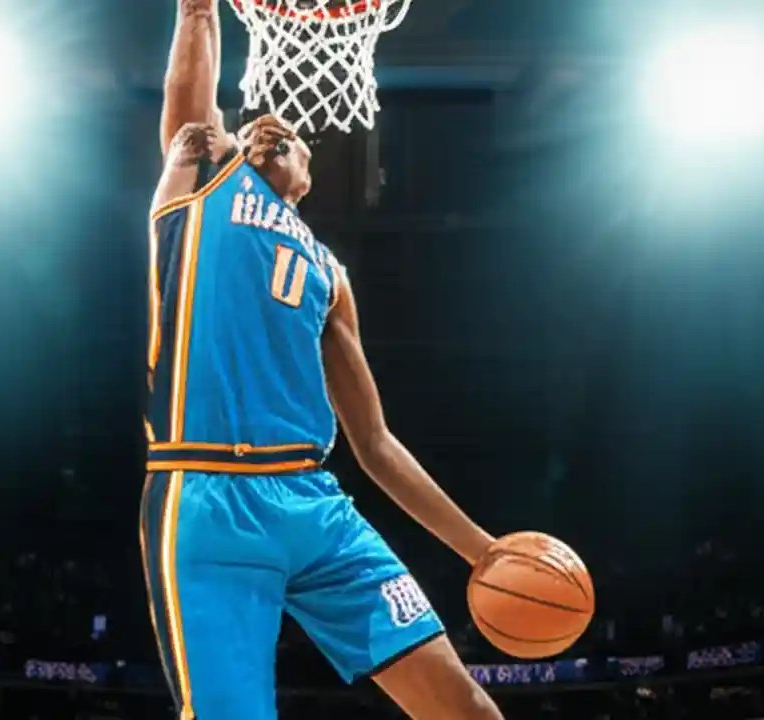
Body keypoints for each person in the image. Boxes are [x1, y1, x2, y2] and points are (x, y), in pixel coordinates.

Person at [139, 1, 506, 718]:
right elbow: (195, 39)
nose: (282, 131)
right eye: (258, 130)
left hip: (316, 504)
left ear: (308, 176)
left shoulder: (329, 273)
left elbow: (373, 443)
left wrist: (482, 550)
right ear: (232, 140)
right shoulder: (201, 176)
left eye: (299, 139)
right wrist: (199, 10)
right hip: (208, 495)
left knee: (465, 707)